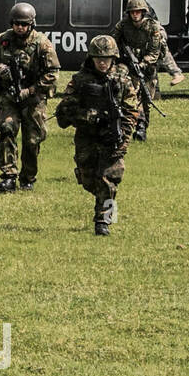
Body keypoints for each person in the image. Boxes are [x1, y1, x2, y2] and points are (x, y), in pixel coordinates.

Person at [55, 35, 139, 235]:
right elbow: (64, 112)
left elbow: (131, 112)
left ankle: (105, 220)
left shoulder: (123, 80)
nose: (103, 63)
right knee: (88, 179)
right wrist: (89, 116)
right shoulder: (80, 80)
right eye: (99, 59)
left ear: (114, 58)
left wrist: (124, 139)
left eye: (107, 59)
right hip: (87, 136)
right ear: (91, 58)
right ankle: (104, 200)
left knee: (109, 179)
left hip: (112, 137)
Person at [0, 2, 60, 192]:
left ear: (31, 24)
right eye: (16, 23)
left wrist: (31, 90)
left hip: (33, 99)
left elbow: (53, 74)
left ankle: (28, 177)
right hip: (9, 96)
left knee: (32, 140)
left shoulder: (42, 43)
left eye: (23, 24)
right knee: (6, 129)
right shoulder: (2, 40)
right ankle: (8, 176)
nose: (19, 27)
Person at [112, 0, 166, 141]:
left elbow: (155, 52)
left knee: (147, 99)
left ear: (143, 12)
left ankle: (142, 128)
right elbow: (113, 45)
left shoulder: (153, 27)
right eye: (132, 12)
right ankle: (127, 127)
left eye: (138, 12)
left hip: (148, 67)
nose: (135, 15)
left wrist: (142, 64)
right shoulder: (122, 26)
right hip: (129, 65)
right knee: (131, 97)